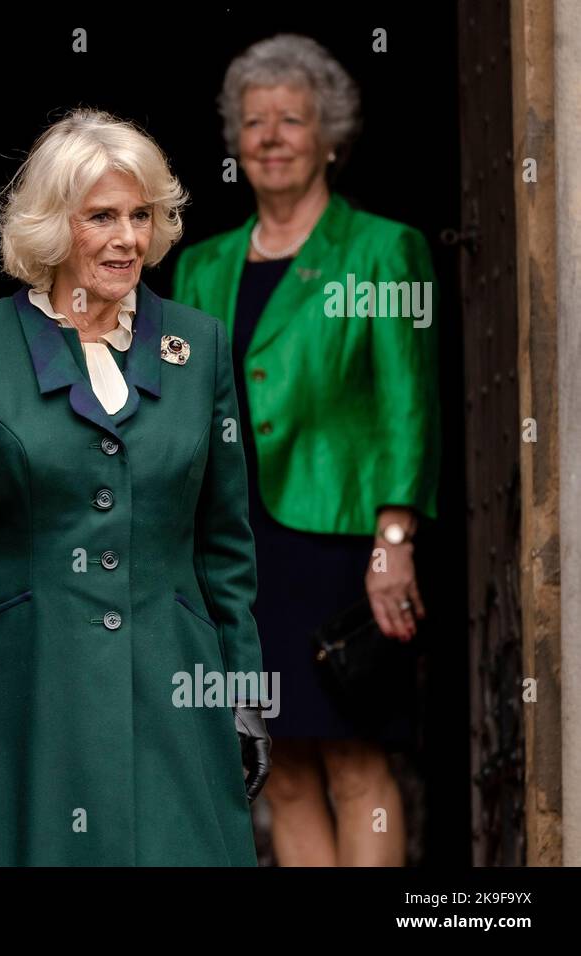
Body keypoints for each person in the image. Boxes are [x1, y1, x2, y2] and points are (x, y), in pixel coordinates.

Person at [0, 109, 270, 866]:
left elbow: (225, 543)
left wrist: (246, 688)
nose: (128, 238)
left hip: (173, 690)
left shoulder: (198, 345)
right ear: (53, 225)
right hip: (23, 694)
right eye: (102, 217)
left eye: (142, 215)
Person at [171, 34, 440, 866]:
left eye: (293, 119)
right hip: (236, 548)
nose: (273, 136)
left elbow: (408, 402)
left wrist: (393, 542)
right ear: (234, 142)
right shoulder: (201, 266)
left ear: (332, 136)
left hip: (338, 544)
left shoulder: (384, 249)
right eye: (255, 122)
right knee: (278, 767)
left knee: (355, 759)